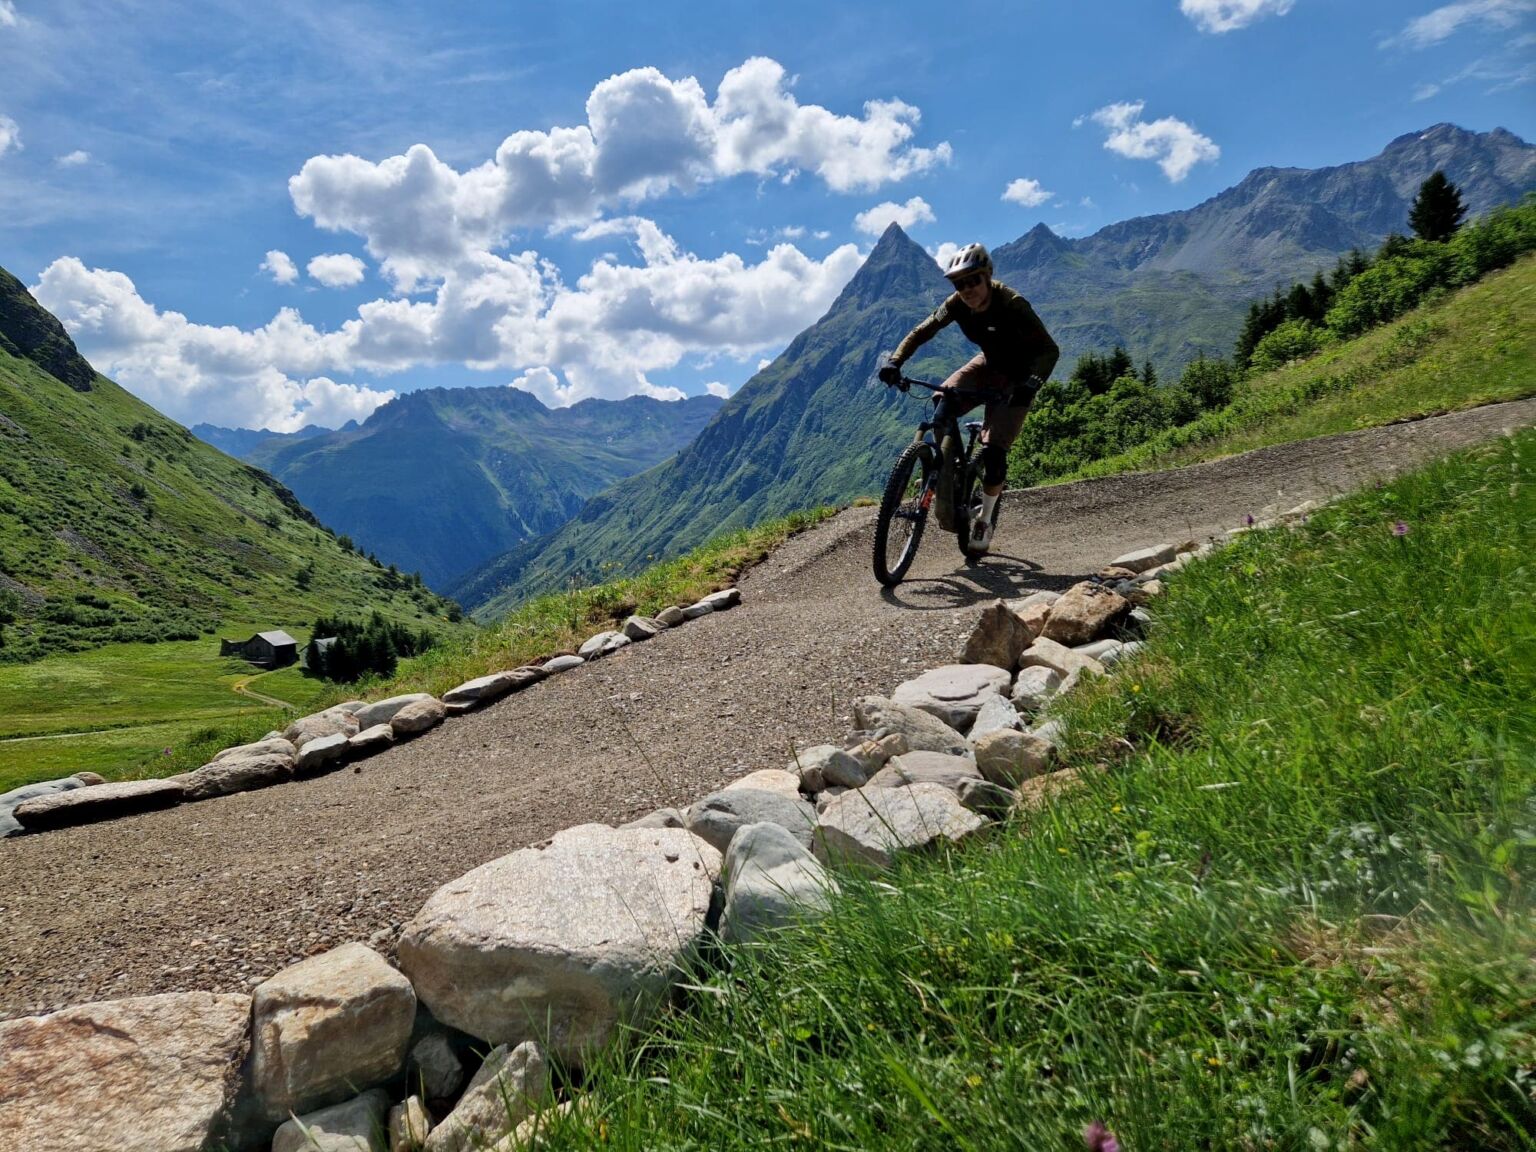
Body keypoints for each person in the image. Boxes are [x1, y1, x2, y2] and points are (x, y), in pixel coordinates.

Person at [878, 242, 1059, 552]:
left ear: (987, 276)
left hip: (1019, 376)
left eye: (973, 280)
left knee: (995, 453)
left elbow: (1049, 350)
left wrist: (1030, 385)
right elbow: (923, 331)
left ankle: (984, 520)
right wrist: (895, 361)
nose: (966, 289)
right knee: (942, 400)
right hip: (987, 364)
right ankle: (946, 474)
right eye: (959, 284)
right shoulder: (956, 304)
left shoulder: (1012, 303)